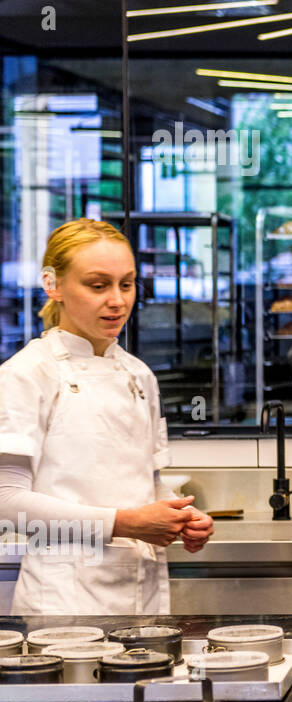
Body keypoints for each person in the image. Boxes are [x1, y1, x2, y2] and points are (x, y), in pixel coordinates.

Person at [0, 219, 214, 615]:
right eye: (98, 286)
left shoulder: (138, 375)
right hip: (62, 602)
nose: (117, 300)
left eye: (127, 284)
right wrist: (124, 523)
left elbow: (147, 484)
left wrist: (180, 516)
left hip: (142, 597)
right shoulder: (27, 373)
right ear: (54, 285)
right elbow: (7, 501)